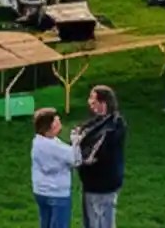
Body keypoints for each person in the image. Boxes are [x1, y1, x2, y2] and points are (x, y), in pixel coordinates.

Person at [72, 86, 126, 228]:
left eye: (93, 99)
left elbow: (94, 152)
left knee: (99, 222)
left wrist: (79, 148)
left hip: (101, 185)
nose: (89, 102)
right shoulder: (99, 121)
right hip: (94, 183)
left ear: (104, 103)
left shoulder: (113, 126)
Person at [33, 108, 80, 228]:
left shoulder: (38, 141)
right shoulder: (53, 146)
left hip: (41, 191)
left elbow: (63, 153)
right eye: (57, 122)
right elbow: (76, 159)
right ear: (50, 126)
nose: (60, 124)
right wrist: (76, 141)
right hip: (57, 193)